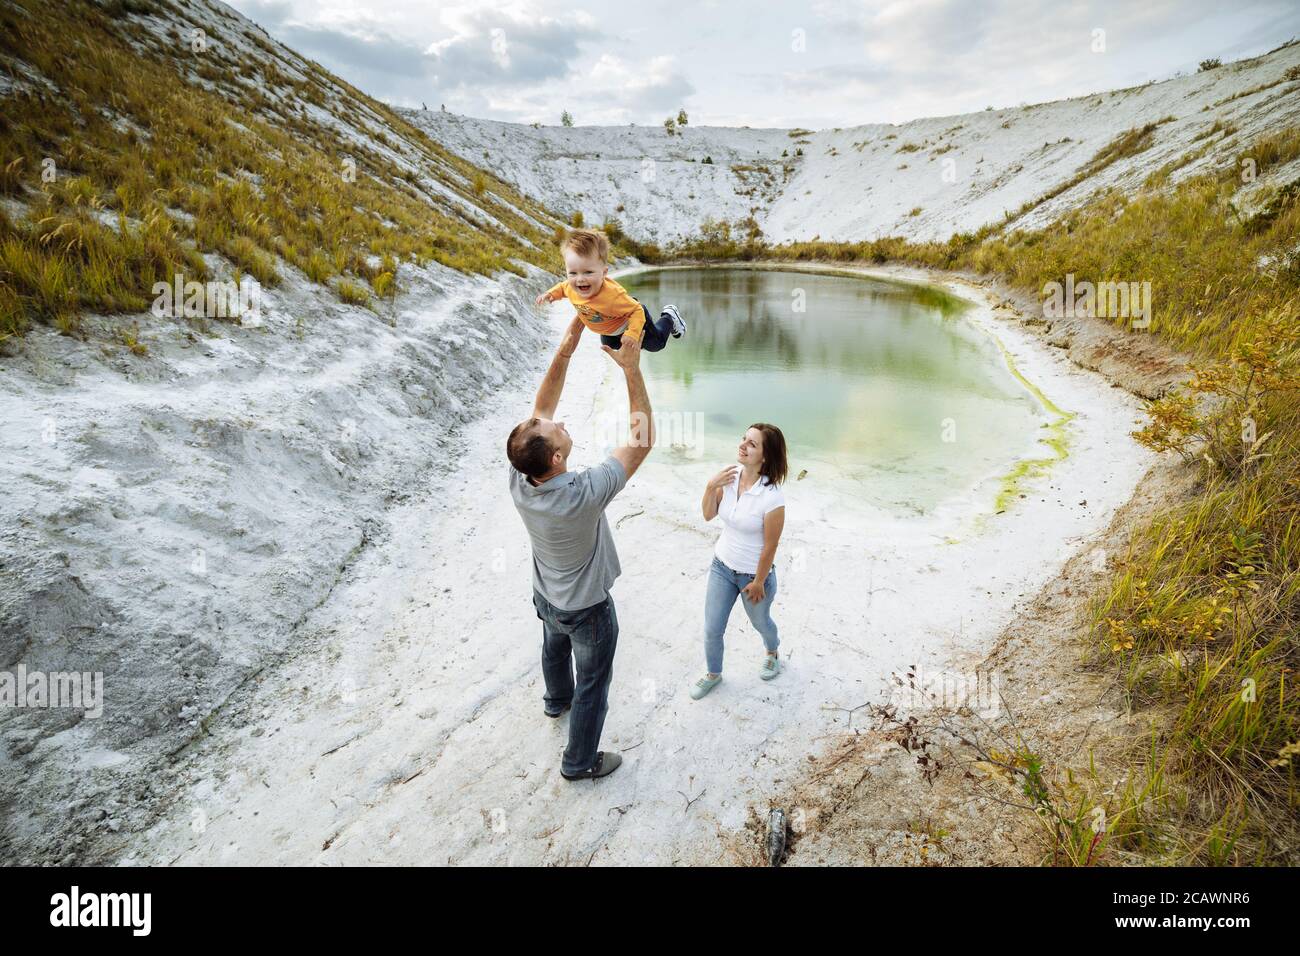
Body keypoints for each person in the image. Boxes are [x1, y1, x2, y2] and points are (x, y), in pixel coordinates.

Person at [506, 316, 654, 780]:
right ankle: (579, 761)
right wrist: (631, 369)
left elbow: (540, 411)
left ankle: (555, 702)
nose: (560, 423)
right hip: (587, 608)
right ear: (556, 458)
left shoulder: (520, 475)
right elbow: (641, 441)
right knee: (593, 682)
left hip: (546, 594)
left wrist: (566, 350)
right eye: (556, 432)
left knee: (553, 645)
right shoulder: (583, 493)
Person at [689, 423, 789, 700]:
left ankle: (772, 651)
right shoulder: (728, 479)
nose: (742, 446)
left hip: (753, 577)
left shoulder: (772, 498)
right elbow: (709, 515)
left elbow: (770, 545)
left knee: (761, 623)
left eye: (752, 444)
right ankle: (713, 674)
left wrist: (759, 582)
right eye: (743, 439)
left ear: (765, 456)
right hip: (722, 566)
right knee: (712, 627)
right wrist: (710, 487)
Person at [534, 228, 686, 353]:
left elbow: (636, 310)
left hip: (630, 316)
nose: (580, 279)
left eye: (588, 272)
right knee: (612, 346)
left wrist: (632, 334)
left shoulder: (612, 296)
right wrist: (550, 294)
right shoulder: (571, 286)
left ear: (604, 273)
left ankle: (669, 316)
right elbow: (562, 287)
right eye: (573, 273)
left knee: (655, 345)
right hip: (609, 328)